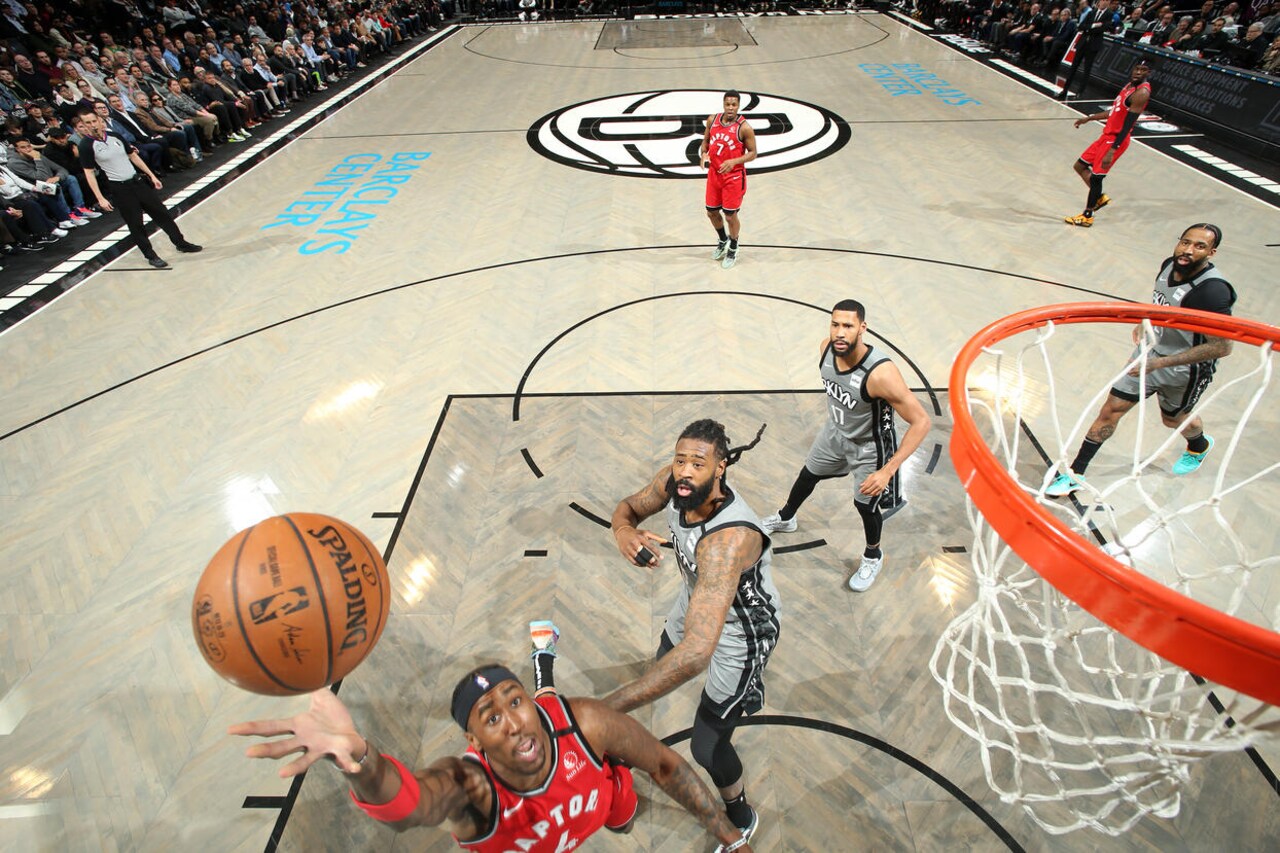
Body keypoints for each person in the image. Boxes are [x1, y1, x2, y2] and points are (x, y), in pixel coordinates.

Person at [229, 627, 753, 853]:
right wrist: (362, 760)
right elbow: (410, 805)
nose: (514, 721)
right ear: (473, 740)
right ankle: (542, 660)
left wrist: (730, 838)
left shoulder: (587, 722)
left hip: (599, 795)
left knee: (624, 817)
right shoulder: (470, 785)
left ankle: (542, 669)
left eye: (514, 701)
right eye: (491, 716)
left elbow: (665, 765)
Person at [607, 418, 779, 846]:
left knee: (707, 747)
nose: (685, 471)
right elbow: (627, 508)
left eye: (697, 464)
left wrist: (608, 708)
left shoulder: (727, 542)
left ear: (721, 467)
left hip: (743, 629)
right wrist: (623, 532)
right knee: (664, 658)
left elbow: (699, 651)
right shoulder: (673, 483)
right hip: (697, 594)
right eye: (680, 460)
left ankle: (740, 814)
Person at [1046, 224, 1235, 496]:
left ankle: (1199, 445)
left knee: (1174, 420)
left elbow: (1222, 347)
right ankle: (1075, 473)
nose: (1188, 250)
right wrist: (1147, 319)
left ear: (1211, 253)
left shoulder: (1212, 292)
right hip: (1150, 353)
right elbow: (1162, 302)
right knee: (1111, 410)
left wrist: (1161, 364)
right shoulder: (1169, 265)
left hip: (1184, 369)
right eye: (1185, 242)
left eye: (1199, 246)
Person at [761, 300, 933, 592]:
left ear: (862, 328)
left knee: (864, 505)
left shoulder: (881, 374)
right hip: (835, 432)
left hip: (870, 446)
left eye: (848, 326)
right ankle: (786, 518)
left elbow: (922, 422)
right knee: (808, 474)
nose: (840, 332)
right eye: (835, 324)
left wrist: (887, 470)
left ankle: (873, 556)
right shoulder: (825, 350)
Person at [78, 111, 202, 269]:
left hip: (137, 182)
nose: (92, 125)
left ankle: (181, 243)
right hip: (120, 188)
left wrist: (151, 175)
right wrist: (100, 198)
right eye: (88, 123)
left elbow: (133, 156)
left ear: (99, 120)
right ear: (83, 126)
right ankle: (150, 255)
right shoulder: (86, 146)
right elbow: (89, 173)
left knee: (162, 213)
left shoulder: (115, 136)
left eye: (94, 121)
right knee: (136, 224)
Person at [1063, 59, 1152, 228]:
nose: (1138, 72)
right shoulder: (1129, 86)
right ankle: (1098, 198)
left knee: (1097, 178)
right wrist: (1090, 118)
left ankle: (1087, 216)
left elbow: (1127, 126)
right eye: (1136, 68)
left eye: (1143, 70)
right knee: (1080, 166)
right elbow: (1115, 111)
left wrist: (1113, 149)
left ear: (1149, 73)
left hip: (1116, 140)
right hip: (1106, 136)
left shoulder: (1141, 93)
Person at [699, 90, 756, 271]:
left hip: (733, 177)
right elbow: (705, 141)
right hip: (714, 175)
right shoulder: (712, 120)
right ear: (723, 104)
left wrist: (734, 161)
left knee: (730, 215)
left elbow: (753, 153)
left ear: (738, 106)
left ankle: (733, 246)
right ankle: (723, 240)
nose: (730, 108)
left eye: (734, 105)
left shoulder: (744, 128)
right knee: (711, 212)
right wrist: (703, 153)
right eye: (728, 104)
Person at [1056, 0, 1119, 99]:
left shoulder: (1109, 14)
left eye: (1106, 1)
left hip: (1093, 44)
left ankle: (1079, 93)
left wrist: (1089, 28)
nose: (1103, 2)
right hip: (1083, 43)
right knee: (1073, 67)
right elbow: (1081, 26)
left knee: (1087, 69)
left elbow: (1103, 28)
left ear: (1108, 3)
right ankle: (1064, 90)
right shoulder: (1092, 12)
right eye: (1102, 0)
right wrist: (1094, 25)